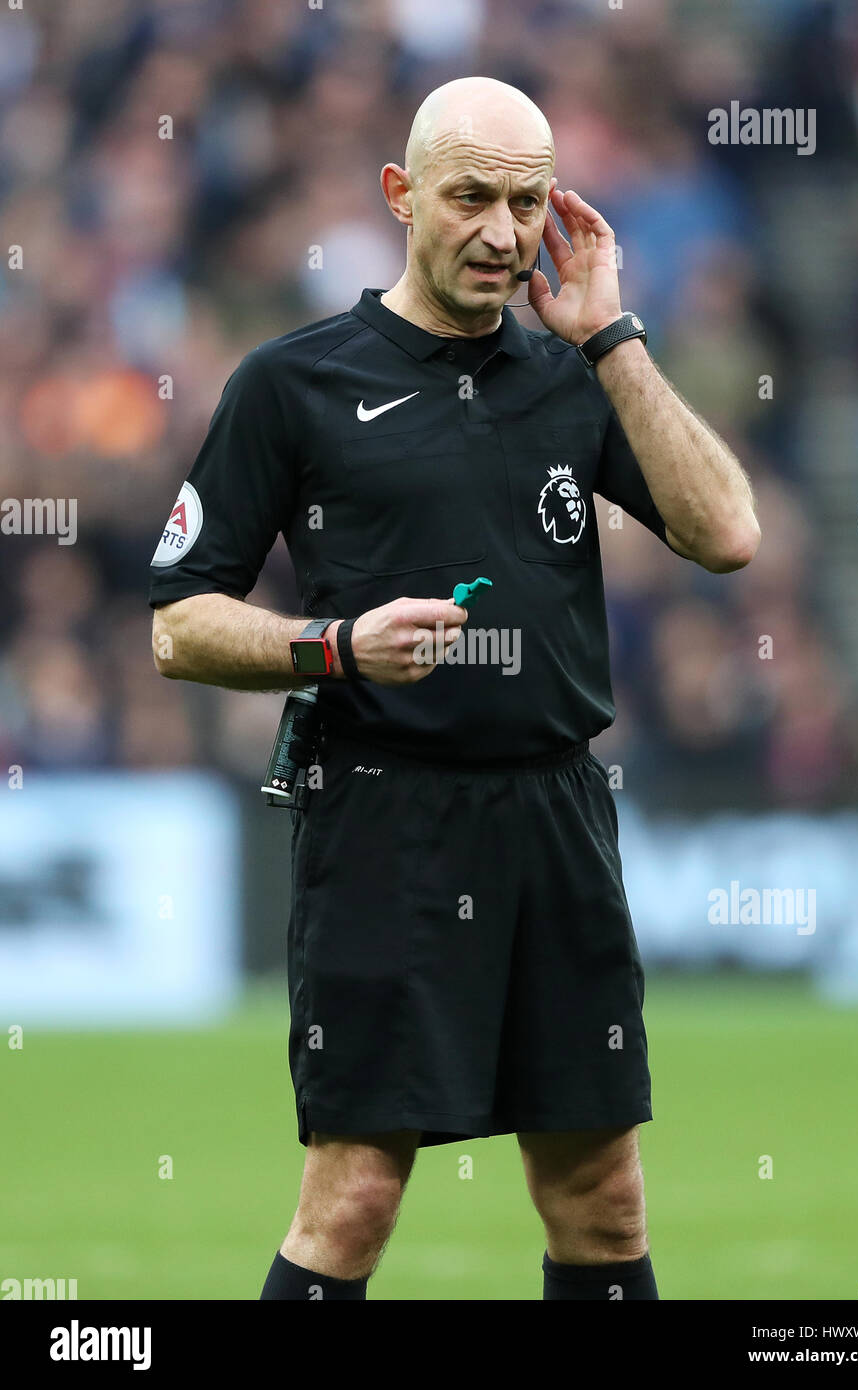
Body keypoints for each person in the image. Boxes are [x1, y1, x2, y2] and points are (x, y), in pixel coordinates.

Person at [149, 76, 760, 1301]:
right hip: (384, 820)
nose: (500, 230)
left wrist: (613, 337)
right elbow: (179, 624)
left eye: (527, 202)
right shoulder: (293, 383)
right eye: (471, 197)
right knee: (356, 1195)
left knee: (603, 1199)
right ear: (401, 195)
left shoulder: (574, 376)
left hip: (555, 818)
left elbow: (728, 532)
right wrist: (335, 646)